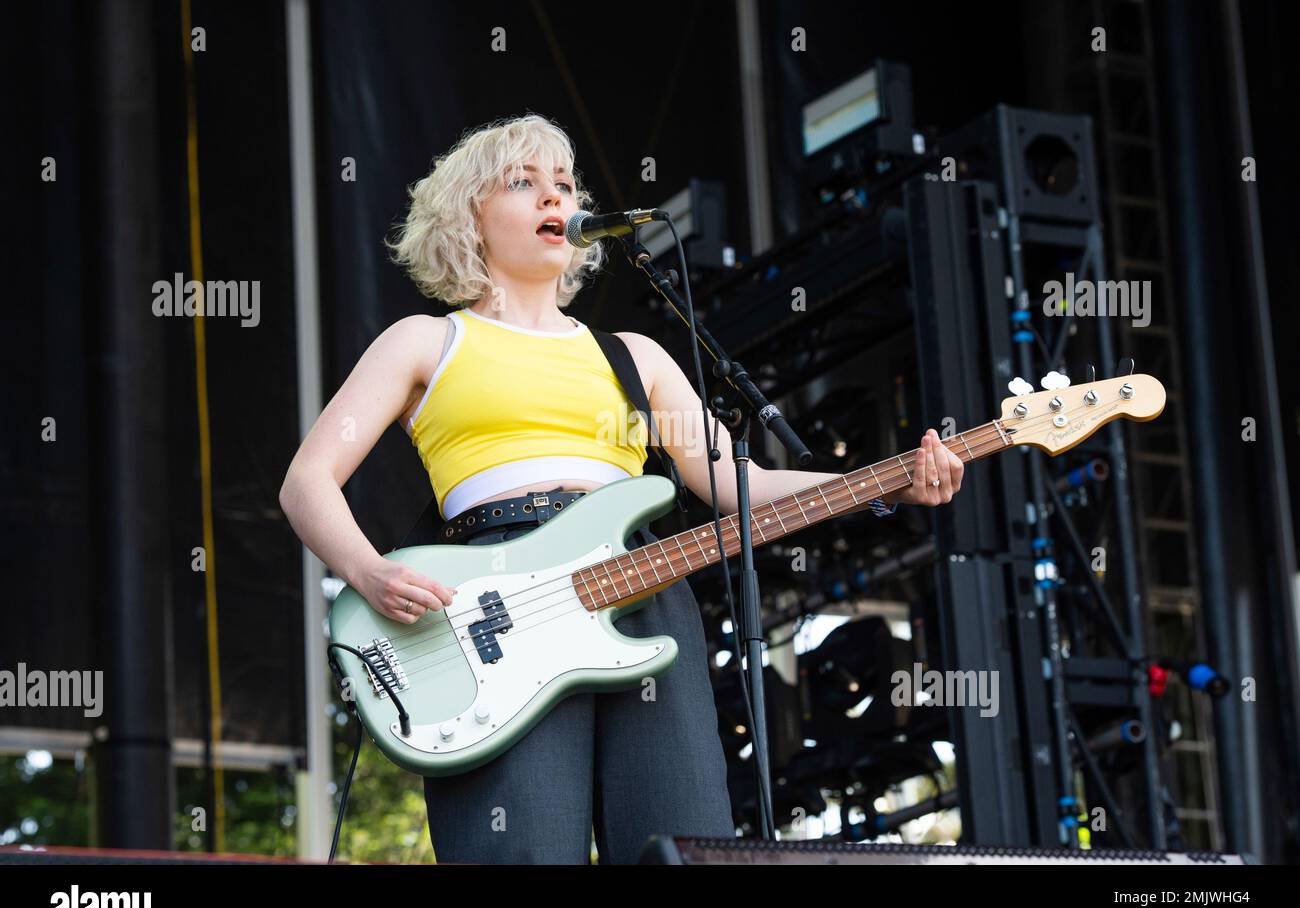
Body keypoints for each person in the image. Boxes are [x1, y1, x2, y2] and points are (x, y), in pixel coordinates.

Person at [278, 113, 965, 864]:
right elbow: (308, 479)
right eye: (524, 182)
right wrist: (370, 571)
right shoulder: (427, 341)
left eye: (566, 184)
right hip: (496, 612)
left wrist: (891, 482)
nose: (555, 197)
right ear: (468, 215)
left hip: (643, 589)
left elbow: (744, 484)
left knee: (676, 844)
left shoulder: (635, 357)